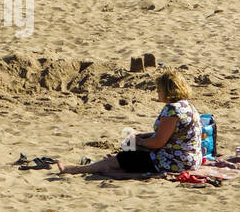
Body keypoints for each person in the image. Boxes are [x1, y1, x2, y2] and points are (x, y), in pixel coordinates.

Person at [56, 67, 202, 178]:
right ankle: (109, 168)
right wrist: (142, 136)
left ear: (168, 90)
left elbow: (158, 142)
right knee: (127, 154)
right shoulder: (187, 105)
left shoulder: (172, 110)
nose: (158, 93)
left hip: (176, 161)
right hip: (188, 157)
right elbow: (170, 135)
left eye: (159, 90)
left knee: (123, 158)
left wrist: (140, 141)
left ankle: (74, 169)